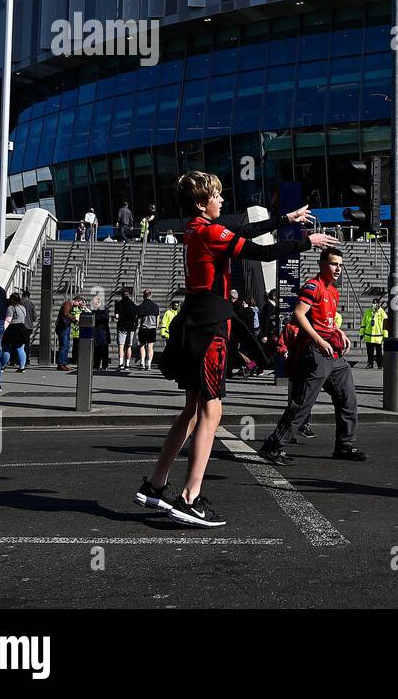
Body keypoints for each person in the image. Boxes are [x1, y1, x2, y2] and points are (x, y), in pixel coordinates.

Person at [133, 171, 331, 528]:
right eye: (217, 196)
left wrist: (285, 219)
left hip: (194, 322)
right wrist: (307, 240)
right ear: (200, 203)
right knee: (213, 411)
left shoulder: (195, 229)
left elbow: (242, 233)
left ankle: (156, 484)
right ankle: (190, 498)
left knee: (192, 411)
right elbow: (262, 251)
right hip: (211, 328)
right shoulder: (210, 232)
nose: (222, 201)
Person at [259, 247, 366, 465]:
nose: (338, 268)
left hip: (333, 353)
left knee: (348, 398)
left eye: (340, 265)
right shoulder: (313, 285)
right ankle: (273, 446)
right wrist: (319, 340)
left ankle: (344, 445)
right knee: (303, 403)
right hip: (316, 352)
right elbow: (298, 314)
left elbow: (327, 322)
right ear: (322, 265)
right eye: (334, 264)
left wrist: (340, 333)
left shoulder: (333, 291)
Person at [3, 294, 30, 372]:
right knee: (20, 348)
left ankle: (2, 365)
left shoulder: (10, 308)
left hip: (12, 328)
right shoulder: (23, 308)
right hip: (22, 328)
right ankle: (22, 367)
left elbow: (8, 320)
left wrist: (3, 330)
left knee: (6, 348)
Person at [114, 287, 139, 372]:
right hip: (131, 327)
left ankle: (121, 364)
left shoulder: (118, 304)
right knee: (128, 346)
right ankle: (127, 364)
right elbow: (137, 318)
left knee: (121, 345)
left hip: (122, 326)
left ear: (121, 295)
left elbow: (116, 317)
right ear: (130, 295)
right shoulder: (134, 305)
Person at [136, 289, 160, 371]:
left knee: (142, 345)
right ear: (151, 295)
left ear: (143, 296)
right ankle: (148, 364)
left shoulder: (140, 306)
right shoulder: (156, 306)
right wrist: (156, 326)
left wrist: (137, 326)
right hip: (152, 328)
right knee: (150, 347)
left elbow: (139, 319)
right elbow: (157, 319)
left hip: (143, 328)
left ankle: (142, 362)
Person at [359, 297, 386, 368]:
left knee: (379, 352)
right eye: (373, 303)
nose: (374, 304)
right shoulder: (368, 312)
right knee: (369, 352)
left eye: (376, 303)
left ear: (379, 304)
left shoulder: (382, 313)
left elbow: (385, 325)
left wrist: (385, 336)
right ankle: (370, 364)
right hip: (369, 336)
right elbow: (363, 323)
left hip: (378, 337)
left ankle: (380, 364)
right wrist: (361, 334)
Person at [54, 295, 76, 372]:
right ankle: (61, 364)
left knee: (67, 346)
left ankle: (64, 363)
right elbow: (66, 313)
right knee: (63, 346)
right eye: (80, 302)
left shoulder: (71, 305)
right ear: (76, 300)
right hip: (63, 327)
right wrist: (73, 318)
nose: (80, 305)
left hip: (66, 327)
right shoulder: (68, 303)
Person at [93, 297, 111, 372]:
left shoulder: (104, 309)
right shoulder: (95, 310)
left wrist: (95, 317)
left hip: (103, 333)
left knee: (103, 350)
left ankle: (104, 365)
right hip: (97, 333)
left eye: (94, 302)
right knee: (96, 350)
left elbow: (105, 318)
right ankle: (96, 365)